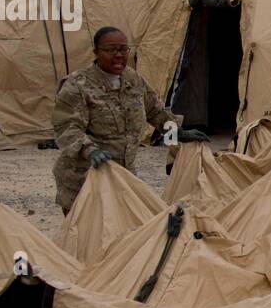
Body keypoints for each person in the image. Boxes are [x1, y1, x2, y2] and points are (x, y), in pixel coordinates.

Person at [52, 26, 207, 213]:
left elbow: (155, 112)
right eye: (110, 50)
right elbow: (67, 127)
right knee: (87, 235)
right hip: (85, 178)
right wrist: (90, 150)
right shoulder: (78, 85)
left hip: (123, 176)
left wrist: (178, 133)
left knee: (123, 232)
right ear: (96, 52)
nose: (118, 55)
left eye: (123, 49)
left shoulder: (133, 79)